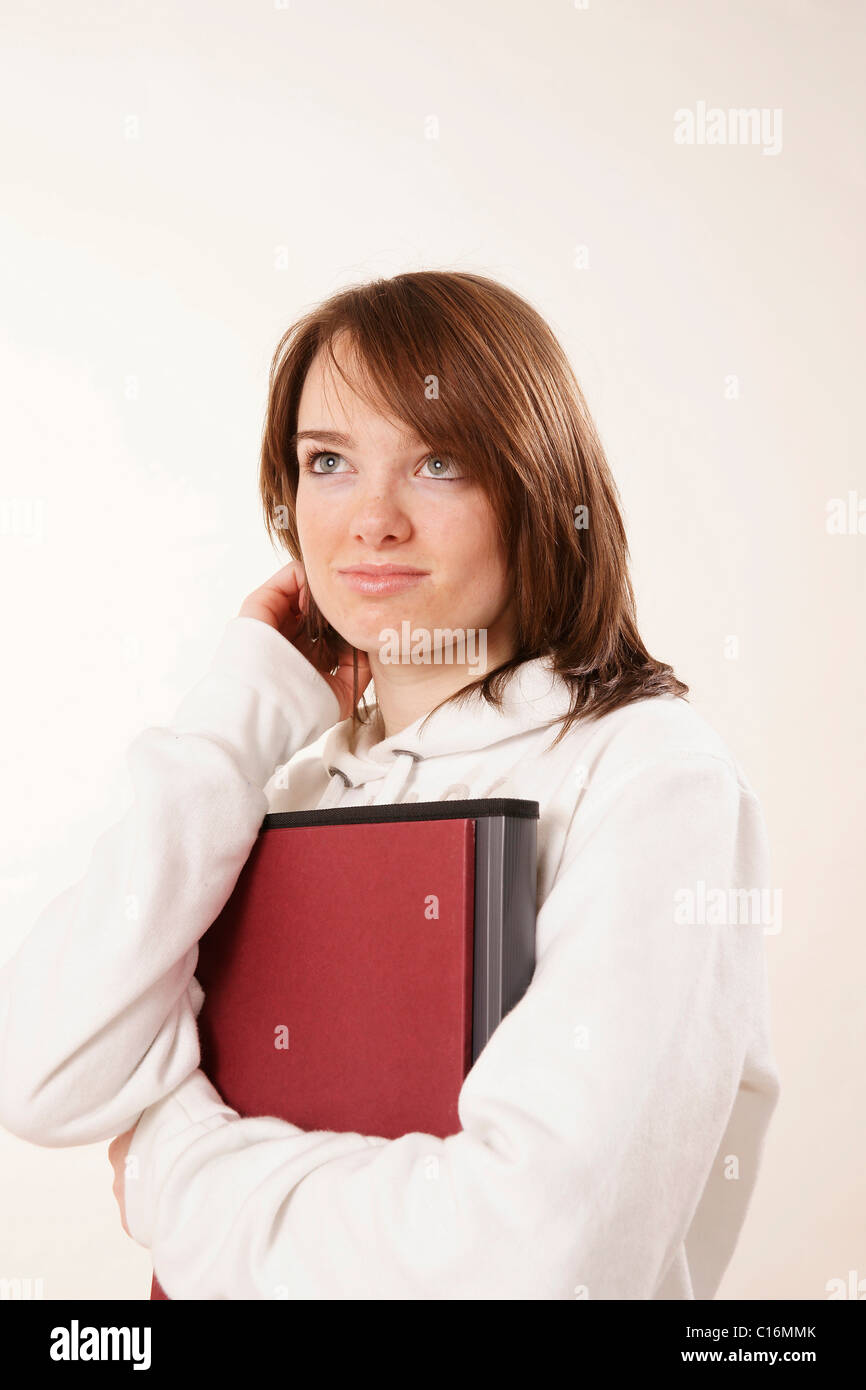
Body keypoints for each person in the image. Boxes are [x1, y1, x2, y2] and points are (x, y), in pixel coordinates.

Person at [0, 270, 780, 1299]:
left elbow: (529, 1258)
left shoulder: (649, 773)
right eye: (327, 461)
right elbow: (46, 1072)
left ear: (538, 486)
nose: (369, 520)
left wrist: (175, 1167)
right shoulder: (283, 783)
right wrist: (243, 708)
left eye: (438, 461)